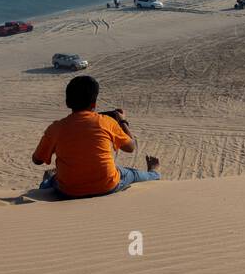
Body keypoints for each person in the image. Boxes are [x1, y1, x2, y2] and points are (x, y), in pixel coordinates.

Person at [32, 75, 161, 198]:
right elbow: (131, 147)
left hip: (69, 191)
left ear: (67, 102)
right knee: (132, 173)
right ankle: (154, 173)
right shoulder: (106, 121)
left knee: (50, 180)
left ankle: (47, 182)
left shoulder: (55, 128)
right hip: (107, 185)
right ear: (94, 104)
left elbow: (37, 160)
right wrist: (122, 122)